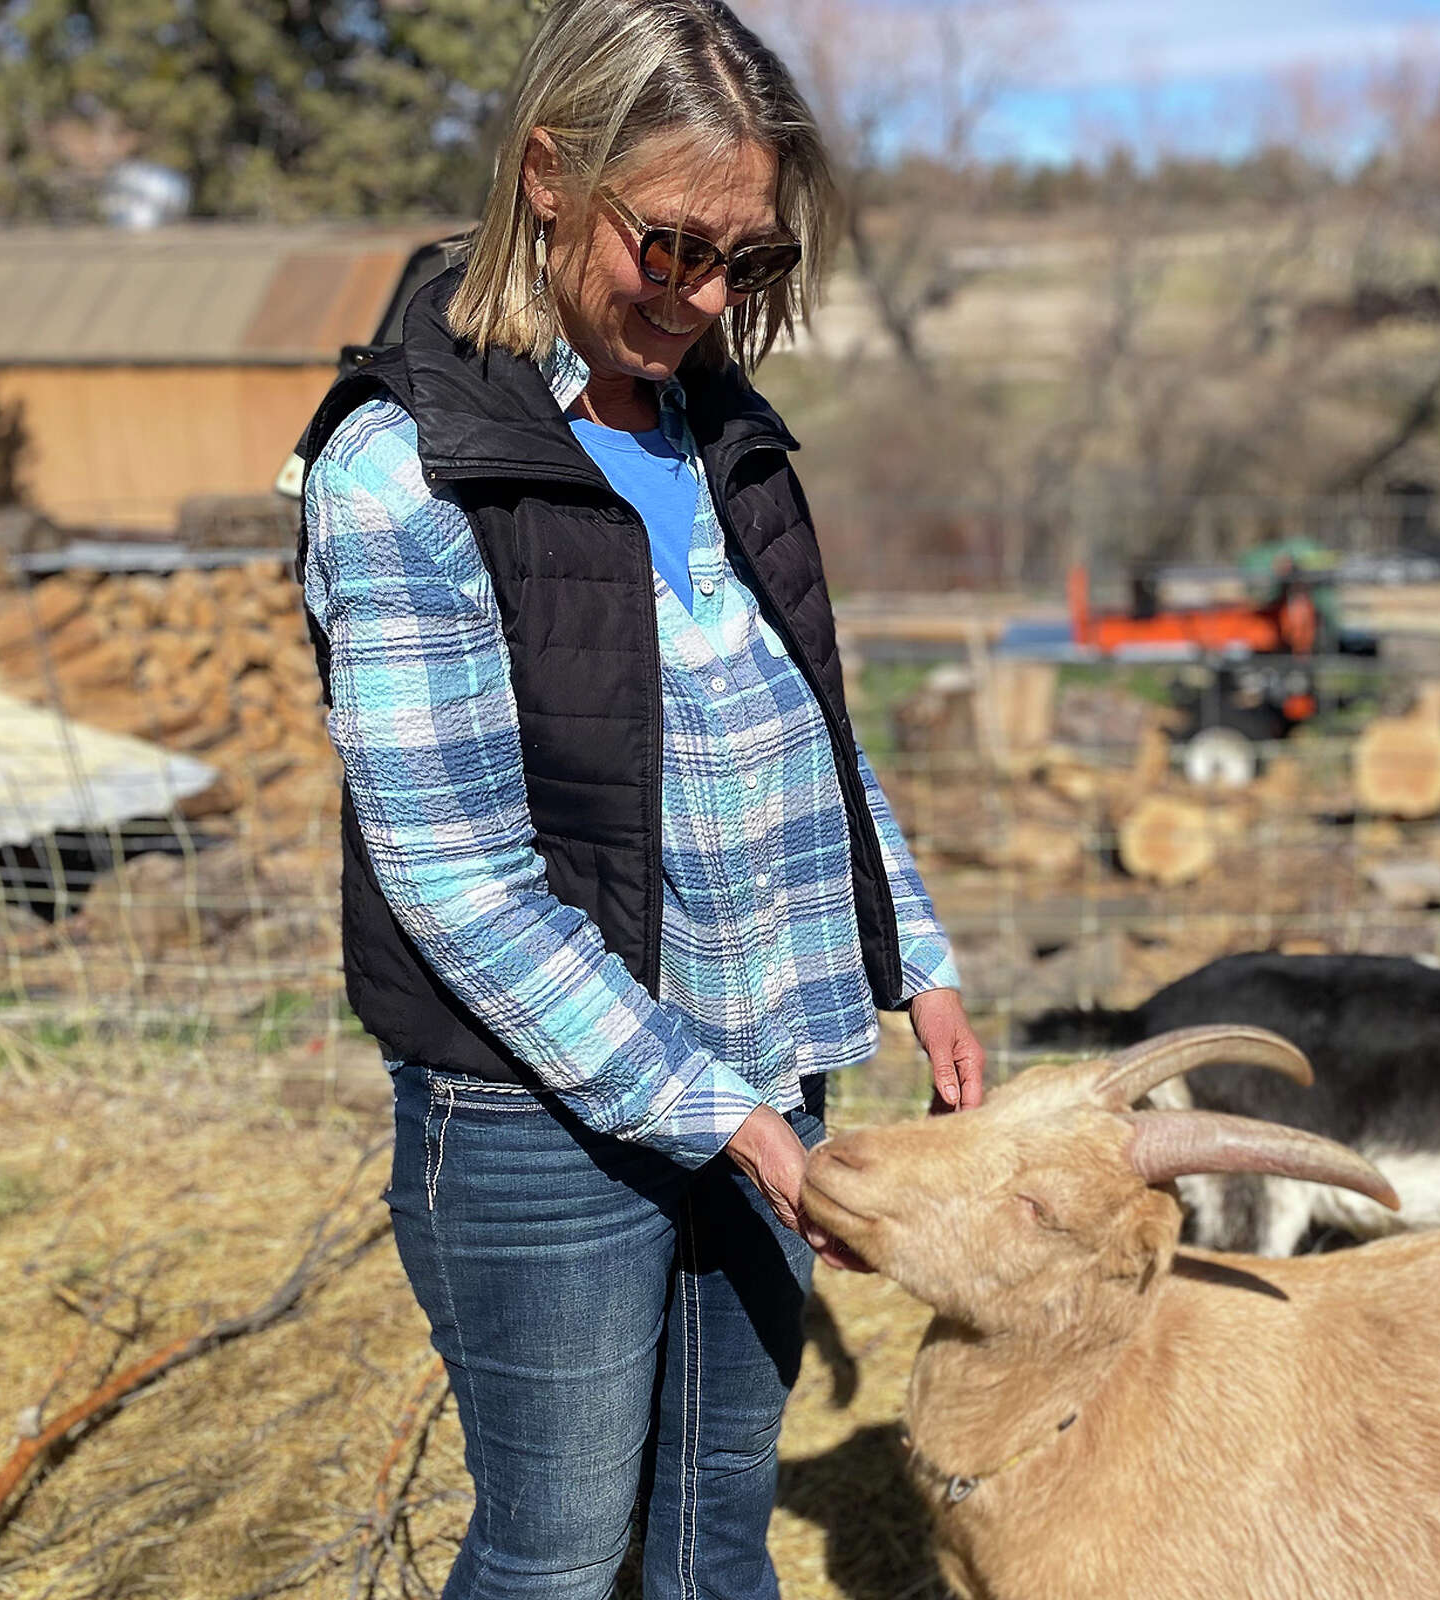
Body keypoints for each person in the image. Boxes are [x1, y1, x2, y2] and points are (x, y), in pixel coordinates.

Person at [292, 3, 984, 1594]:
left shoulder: (716, 424)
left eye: (751, 261)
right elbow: (458, 881)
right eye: (672, 246)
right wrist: (725, 1118)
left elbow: (806, 729)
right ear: (549, 174)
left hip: (764, 1072)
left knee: (709, 1539)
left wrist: (913, 955)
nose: (708, 300)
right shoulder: (409, 470)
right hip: (539, 1117)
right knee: (555, 1557)